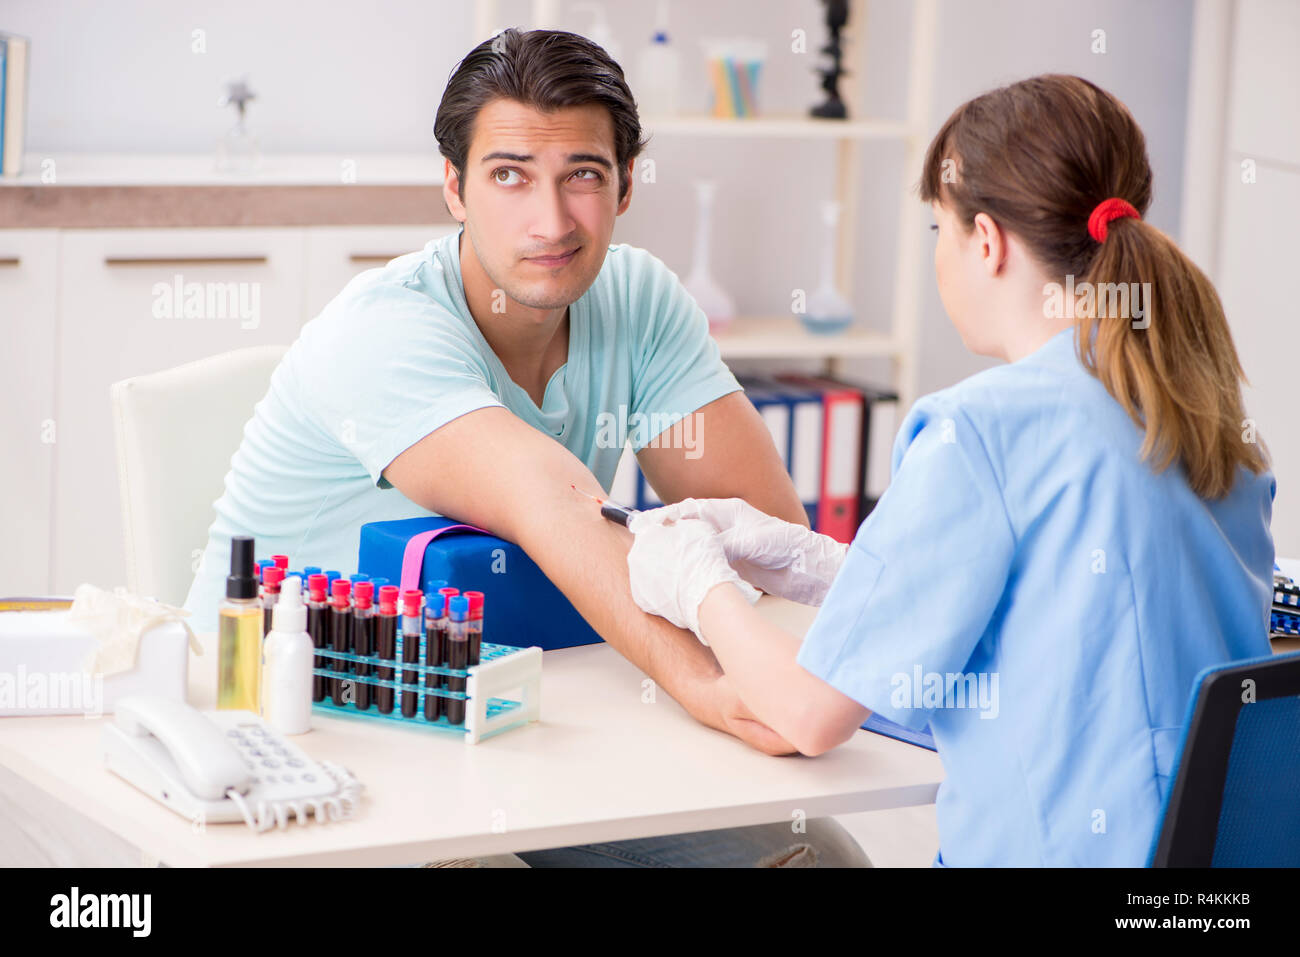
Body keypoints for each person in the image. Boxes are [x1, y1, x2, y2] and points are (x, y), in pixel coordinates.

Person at [184, 27, 867, 867]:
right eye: (509, 175)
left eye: (582, 175)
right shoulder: (384, 329)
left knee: (816, 855)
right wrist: (705, 682)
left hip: (514, 709)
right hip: (296, 734)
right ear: (455, 188)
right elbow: (556, 508)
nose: (551, 221)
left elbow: (764, 538)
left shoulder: (640, 300)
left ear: (623, 189)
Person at [625, 74, 1275, 867]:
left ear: (988, 240)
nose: (940, 253)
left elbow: (807, 714)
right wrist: (830, 569)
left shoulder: (980, 431)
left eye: (940, 226)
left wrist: (697, 583)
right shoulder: (1198, 416)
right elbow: (1061, 616)